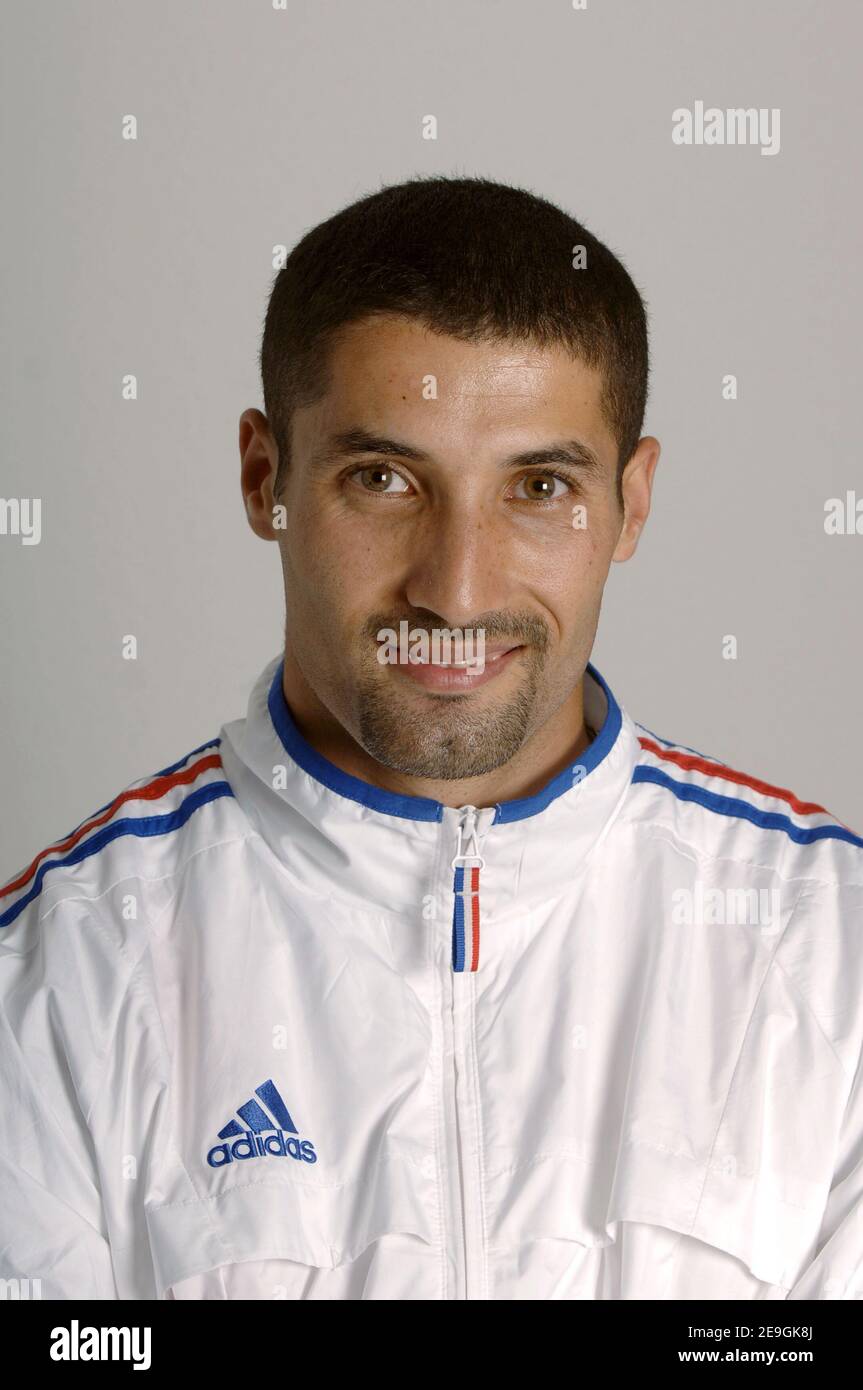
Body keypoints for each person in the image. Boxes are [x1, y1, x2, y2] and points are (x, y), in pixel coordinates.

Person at [1, 175, 861, 1301]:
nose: (455, 592)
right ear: (268, 477)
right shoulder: (57, 977)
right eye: (384, 479)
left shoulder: (829, 950)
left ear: (630, 502)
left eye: (538, 485)